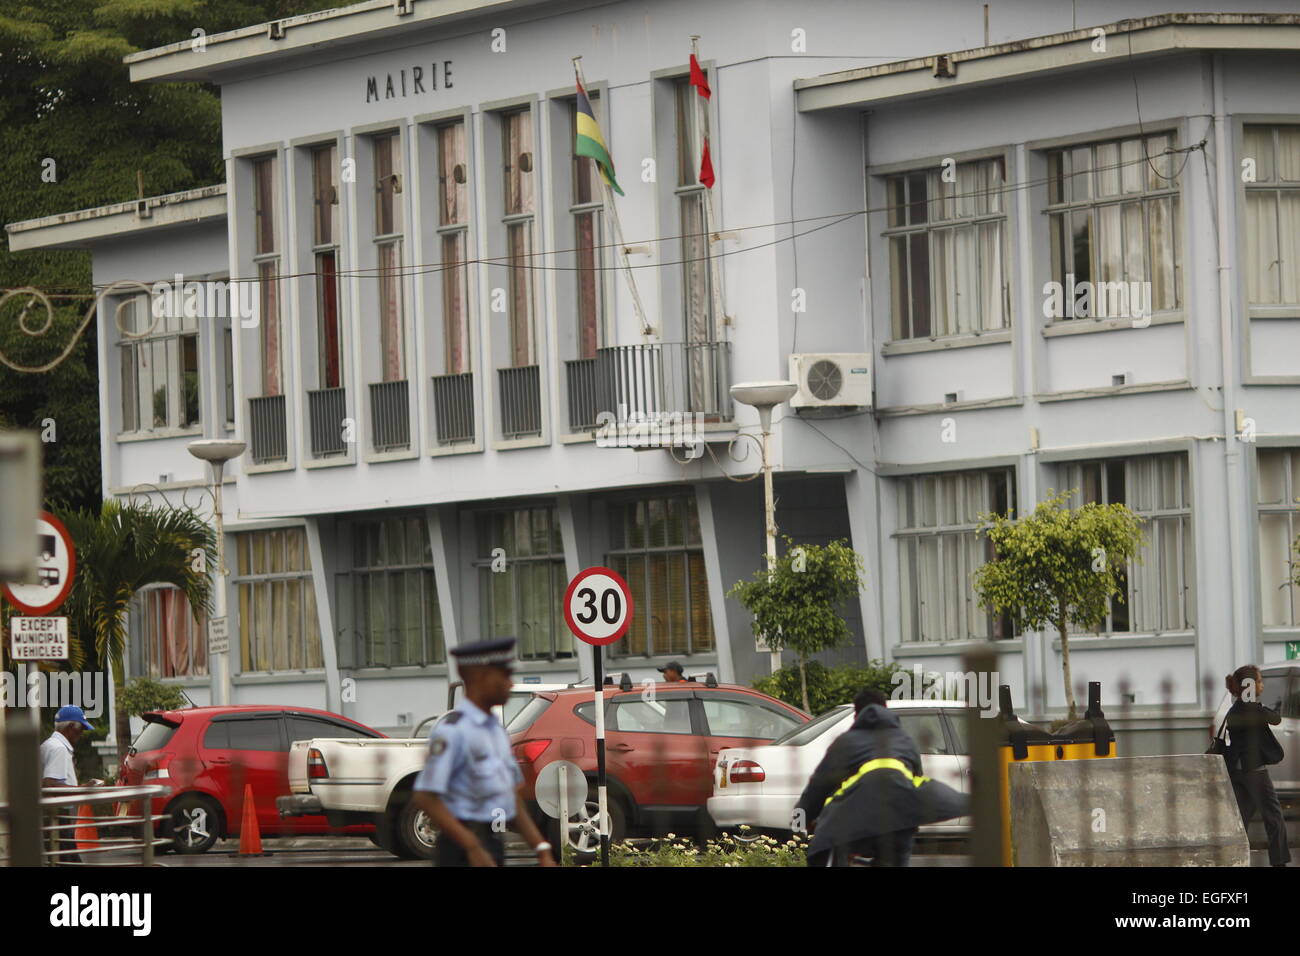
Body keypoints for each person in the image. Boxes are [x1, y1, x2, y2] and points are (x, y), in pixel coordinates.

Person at [410, 638, 557, 868]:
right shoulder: (453, 730)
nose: (510, 684)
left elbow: (512, 796)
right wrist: (472, 846)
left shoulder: (496, 730)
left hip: (492, 843)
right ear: (480, 677)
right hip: (460, 849)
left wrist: (541, 848)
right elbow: (426, 797)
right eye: (504, 676)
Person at [794, 689, 967, 867]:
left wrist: (799, 822)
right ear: (886, 710)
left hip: (853, 818)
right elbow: (915, 781)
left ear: (856, 714)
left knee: (825, 854)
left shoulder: (846, 742)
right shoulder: (906, 741)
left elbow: (817, 789)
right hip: (898, 820)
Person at [1221, 665, 1290, 867]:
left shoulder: (1236, 709)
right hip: (1255, 772)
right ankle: (1279, 863)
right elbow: (1275, 718)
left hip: (1238, 772)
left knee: (1241, 820)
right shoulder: (1250, 708)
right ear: (1248, 686)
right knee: (1274, 817)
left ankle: (1231, 861)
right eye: (1259, 681)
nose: (1262, 685)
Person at [40, 705, 100, 864]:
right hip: (59, 815)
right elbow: (50, 784)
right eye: (81, 729)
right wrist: (84, 789)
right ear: (71, 727)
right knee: (67, 860)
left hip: (53, 814)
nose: (82, 734)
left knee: (64, 859)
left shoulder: (50, 745)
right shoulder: (58, 749)